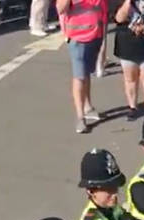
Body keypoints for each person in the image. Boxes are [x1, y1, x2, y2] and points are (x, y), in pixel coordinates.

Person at [58, 0, 106, 133]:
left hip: (95, 35)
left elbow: (102, 8)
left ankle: (88, 107)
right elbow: (60, 8)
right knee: (79, 76)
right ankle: (80, 117)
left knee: (86, 73)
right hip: (77, 38)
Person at [113, 0, 144, 120]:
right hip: (127, 46)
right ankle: (132, 107)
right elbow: (119, 18)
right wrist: (128, 2)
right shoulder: (122, 2)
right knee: (130, 78)